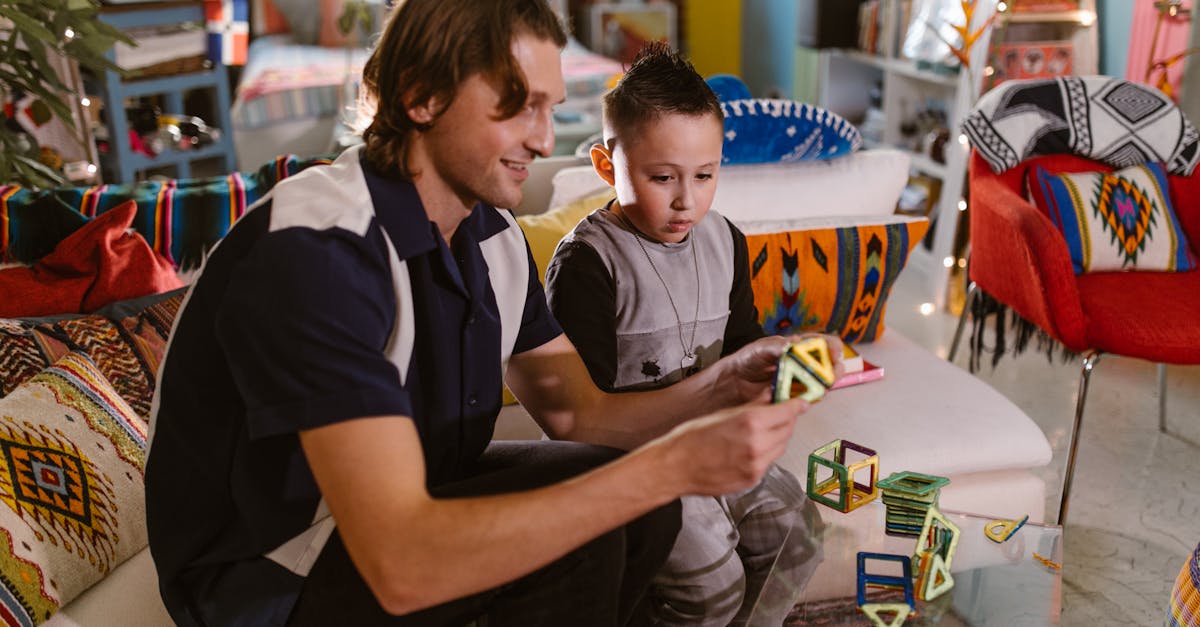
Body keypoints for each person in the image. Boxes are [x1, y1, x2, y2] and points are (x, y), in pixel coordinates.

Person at [144, 1, 823, 626]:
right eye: (520, 107)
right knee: (594, 526)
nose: (543, 136)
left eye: (551, 108)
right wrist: (672, 465)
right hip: (271, 574)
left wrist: (724, 381)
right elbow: (401, 565)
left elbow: (580, 414)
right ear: (421, 95)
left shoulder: (491, 236)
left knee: (639, 508)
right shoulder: (321, 252)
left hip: (407, 503)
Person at [544, 43, 828, 626]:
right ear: (606, 166)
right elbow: (585, 422)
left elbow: (744, 342)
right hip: (640, 460)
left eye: (705, 175)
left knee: (800, 536)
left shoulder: (725, 238)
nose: (686, 200)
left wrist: (782, 365)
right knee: (711, 587)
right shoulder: (586, 263)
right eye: (662, 177)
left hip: (718, 440)